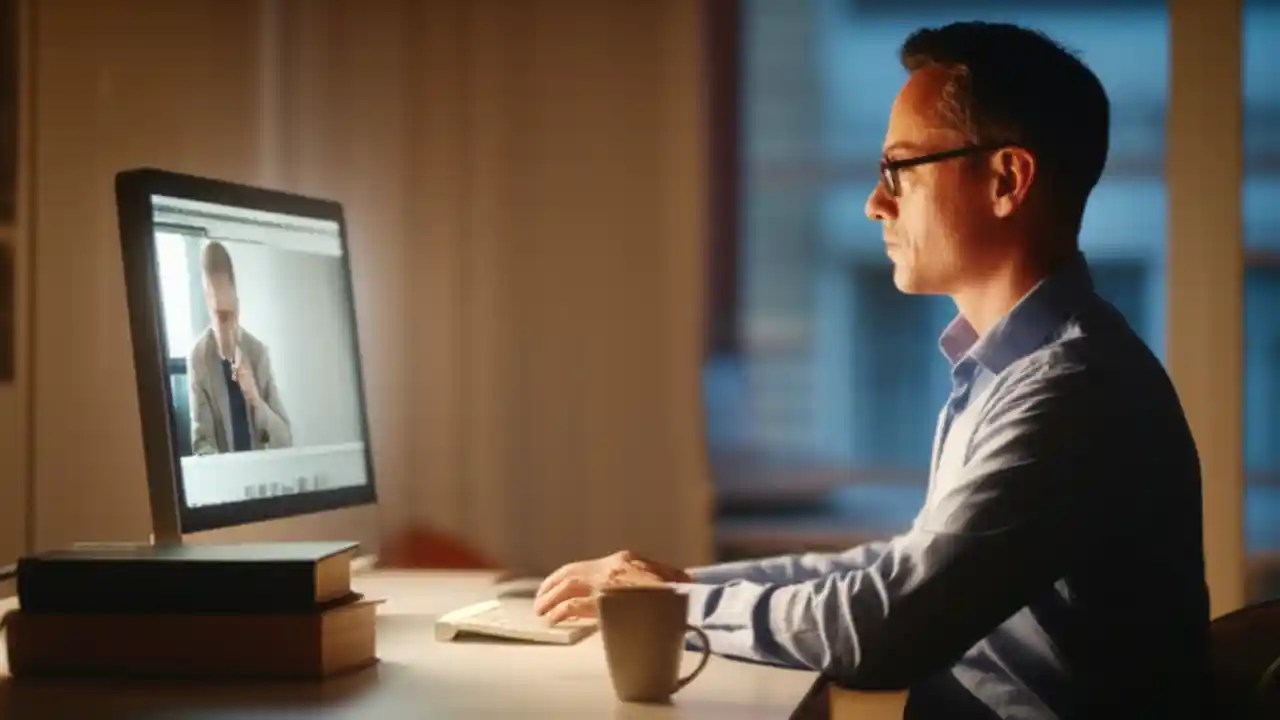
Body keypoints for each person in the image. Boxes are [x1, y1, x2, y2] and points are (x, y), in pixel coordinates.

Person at [533, 21, 1209, 718]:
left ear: (1007, 179)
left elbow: (886, 625)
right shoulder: (1013, 368)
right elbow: (902, 572)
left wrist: (677, 605)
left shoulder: (1073, 390)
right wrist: (677, 588)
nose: (875, 202)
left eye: (899, 170)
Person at [188, 240, 292, 454]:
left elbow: (286, 440)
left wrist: (255, 398)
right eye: (219, 316)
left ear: (237, 302)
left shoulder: (257, 353)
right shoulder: (198, 359)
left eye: (230, 315)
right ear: (208, 304)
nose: (225, 326)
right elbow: (202, 443)